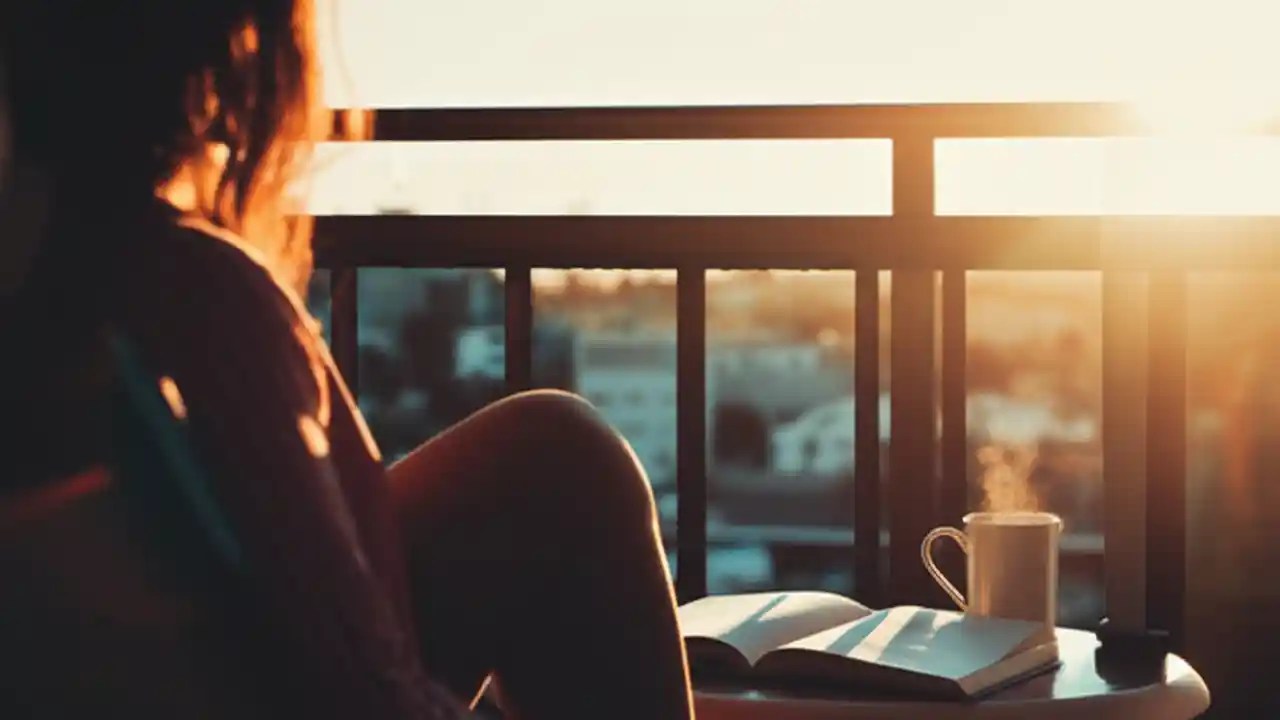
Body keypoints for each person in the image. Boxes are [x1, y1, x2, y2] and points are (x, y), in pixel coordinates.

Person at [0, 2, 695, 718]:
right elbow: (361, 695)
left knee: (546, 458)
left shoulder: (44, 269)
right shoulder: (187, 297)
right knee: (568, 467)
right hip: (274, 672)